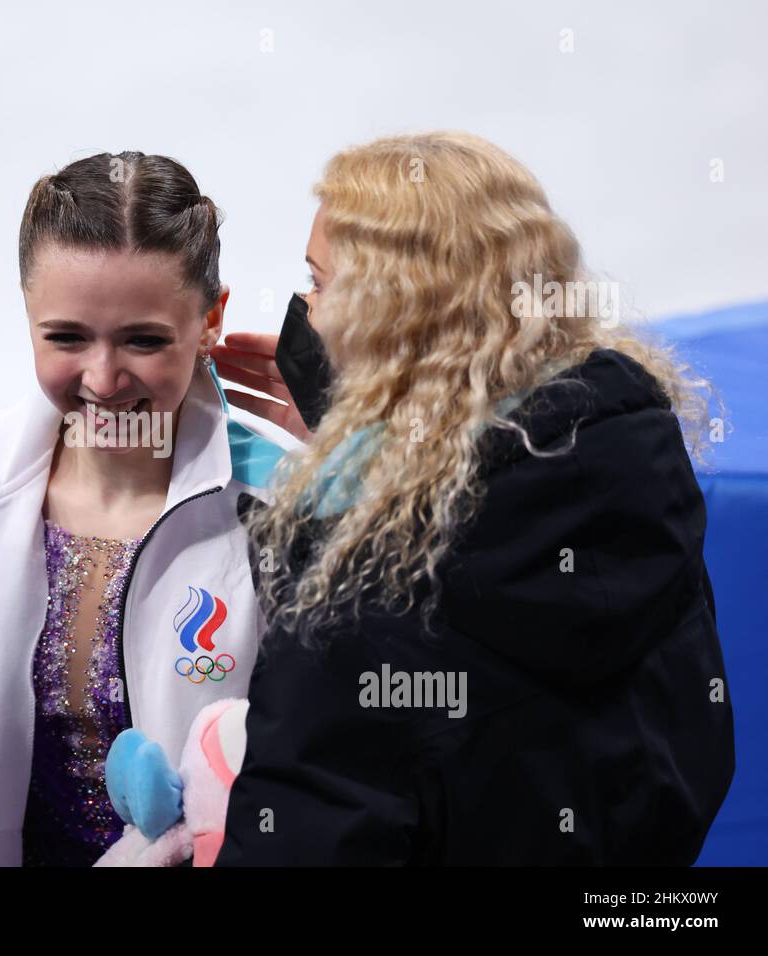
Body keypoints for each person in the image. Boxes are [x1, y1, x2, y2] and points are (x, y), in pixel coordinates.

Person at [210, 131, 735, 865]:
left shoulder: (352, 605)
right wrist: (377, 437)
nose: (306, 308)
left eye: (321, 281)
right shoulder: (639, 496)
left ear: (390, 324)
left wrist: (343, 497)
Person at [0, 151, 285, 866]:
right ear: (27, 310)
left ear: (212, 318)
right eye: (66, 337)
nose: (103, 378)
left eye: (145, 340)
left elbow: (316, 765)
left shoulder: (281, 506)